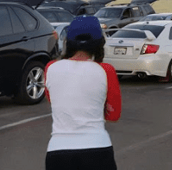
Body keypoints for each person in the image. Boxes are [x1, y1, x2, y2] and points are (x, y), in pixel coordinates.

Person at [44, 16, 122, 170]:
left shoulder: (51, 68)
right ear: (100, 43)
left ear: (68, 41)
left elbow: (54, 101)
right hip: (98, 149)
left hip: (58, 152)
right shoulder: (106, 71)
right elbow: (114, 115)